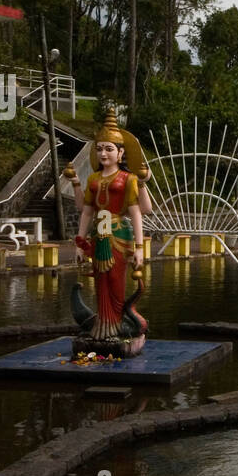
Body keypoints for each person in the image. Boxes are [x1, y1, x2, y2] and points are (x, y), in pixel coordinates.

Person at [73, 108, 148, 351]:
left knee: (115, 280)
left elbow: (136, 212)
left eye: (109, 148)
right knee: (100, 280)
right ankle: (101, 325)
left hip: (118, 234)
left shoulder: (128, 179)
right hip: (98, 235)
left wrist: (139, 248)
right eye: (100, 149)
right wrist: (79, 242)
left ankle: (114, 324)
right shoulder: (93, 179)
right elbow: (86, 211)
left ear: (121, 152)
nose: (104, 153)